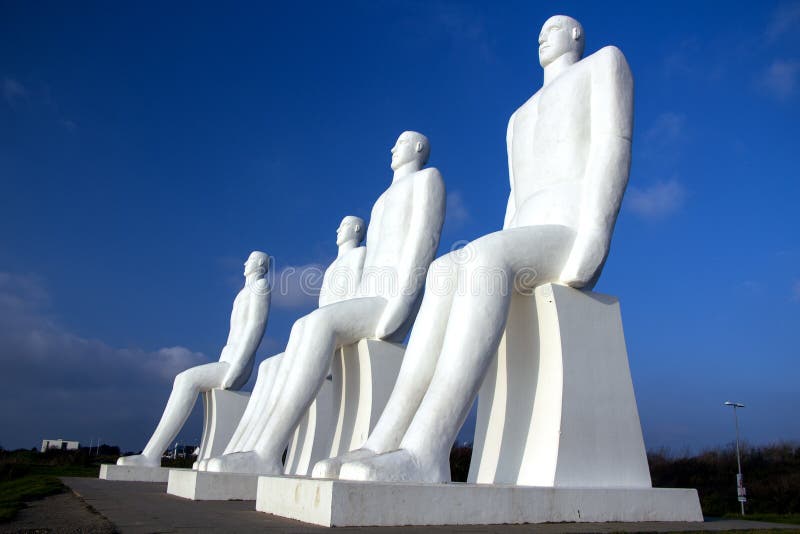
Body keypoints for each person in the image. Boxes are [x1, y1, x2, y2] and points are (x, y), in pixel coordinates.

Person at [319, 14, 634, 483]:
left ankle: (427, 450)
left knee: (484, 258)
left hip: (566, 230)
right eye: (540, 29)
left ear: (576, 35)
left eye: (555, 27)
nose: (542, 34)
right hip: (524, 237)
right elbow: (513, 194)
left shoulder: (604, 64)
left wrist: (596, 233)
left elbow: (613, 145)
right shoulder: (517, 119)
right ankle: (383, 441)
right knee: (447, 269)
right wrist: (503, 247)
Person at [205, 131, 446, 474]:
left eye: (401, 143)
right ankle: (262, 448)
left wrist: (402, 303)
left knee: (317, 324)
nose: (393, 149)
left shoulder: (427, 180)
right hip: (367, 295)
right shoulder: (380, 203)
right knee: (304, 326)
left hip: (388, 298)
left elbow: (425, 239)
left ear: (419, 148)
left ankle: (269, 451)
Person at [203, 216, 366, 464]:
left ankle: (268, 449)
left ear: (355, 229)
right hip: (325, 327)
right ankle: (247, 445)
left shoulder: (360, 255)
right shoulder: (333, 267)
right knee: (269, 366)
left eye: (342, 225)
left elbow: (351, 298)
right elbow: (324, 304)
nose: (337, 230)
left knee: (307, 328)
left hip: (337, 330)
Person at [118, 251, 271, 467]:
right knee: (184, 379)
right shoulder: (242, 294)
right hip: (226, 359)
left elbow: (256, 326)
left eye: (251, 259)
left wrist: (238, 366)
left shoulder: (260, 287)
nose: (245, 263)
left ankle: (152, 455)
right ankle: (153, 454)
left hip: (236, 364)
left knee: (185, 380)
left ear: (261, 264)